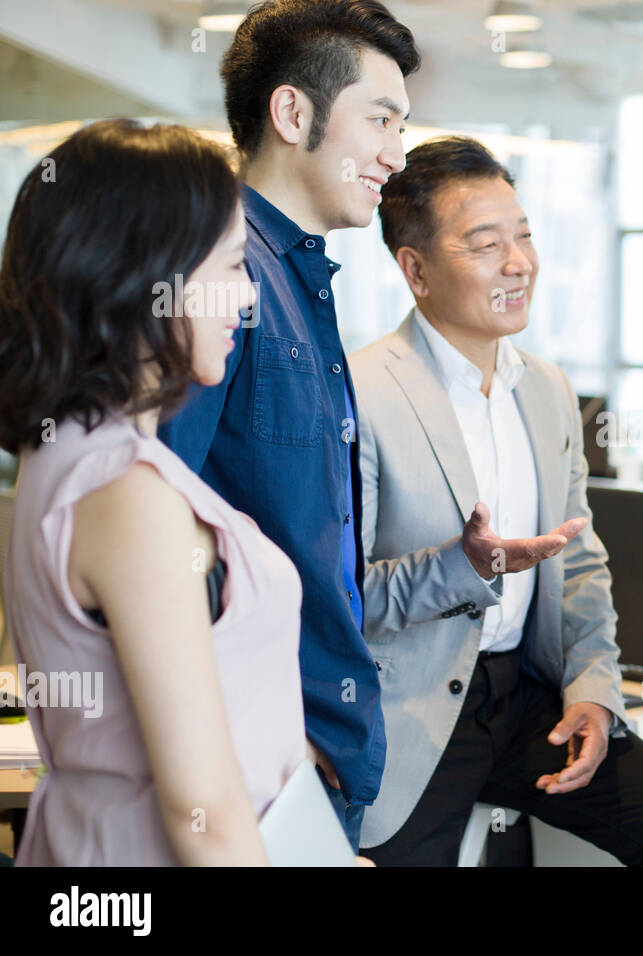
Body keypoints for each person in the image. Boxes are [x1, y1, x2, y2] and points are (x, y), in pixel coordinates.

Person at [349, 136, 643, 865]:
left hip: (525, 695)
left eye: (523, 236)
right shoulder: (361, 393)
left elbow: (579, 563)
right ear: (415, 269)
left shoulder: (548, 390)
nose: (519, 262)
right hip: (413, 710)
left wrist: (593, 689)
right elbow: (344, 596)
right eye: (485, 244)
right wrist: (463, 567)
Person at [0, 120, 306, 865]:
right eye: (231, 265)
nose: (247, 296)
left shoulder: (69, 453)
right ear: (148, 280)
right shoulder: (125, 494)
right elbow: (201, 810)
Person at [156, 0, 420, 850]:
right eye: (380, 119)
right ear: (293, 113)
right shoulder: (220, 273)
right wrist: (249, 742)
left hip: (313, 744)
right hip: (258, 762)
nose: (397, 154)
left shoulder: (298, 277)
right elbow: (156, 535)